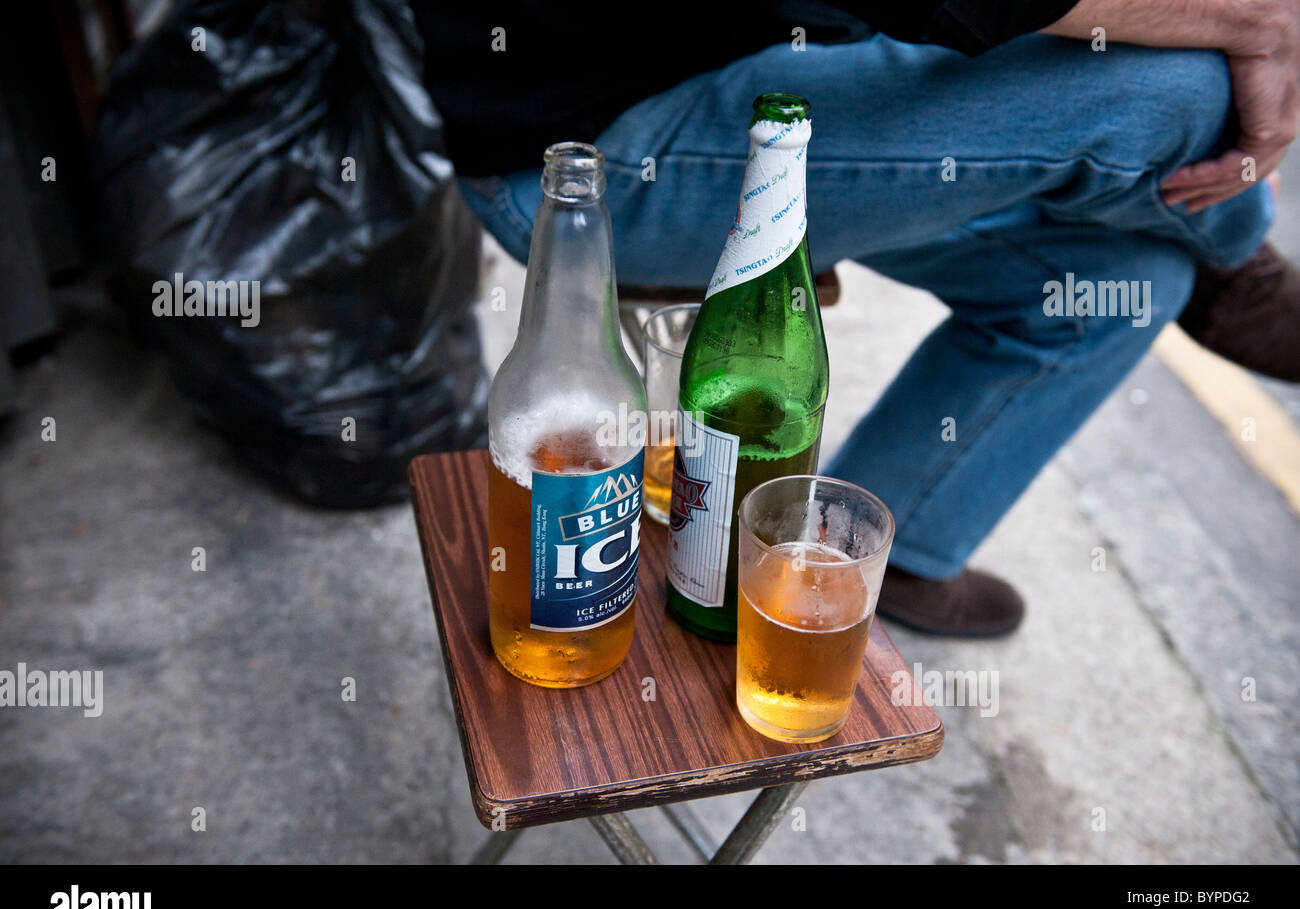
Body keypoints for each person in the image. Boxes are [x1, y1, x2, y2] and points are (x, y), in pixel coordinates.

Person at [414, 0, 1300, 636]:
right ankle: (1237, 258)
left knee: (1124, 276)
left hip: (719, 54)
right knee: (1183, 88)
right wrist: (1255, 20)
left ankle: (899, 541)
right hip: (588, 141)